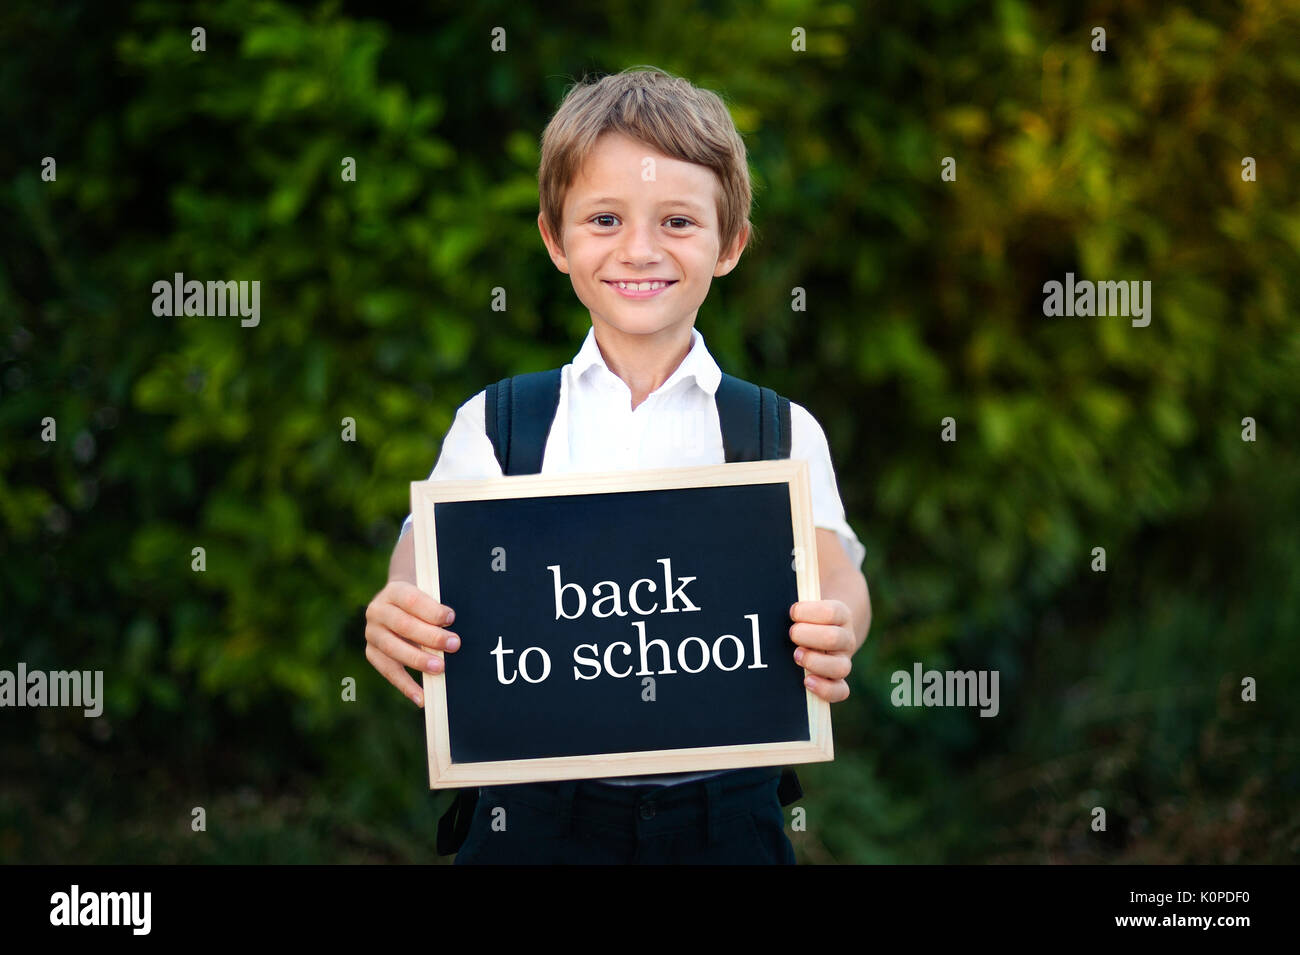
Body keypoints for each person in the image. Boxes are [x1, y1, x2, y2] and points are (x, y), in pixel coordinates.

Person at [364, 66, 871, 864]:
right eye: (604, 219)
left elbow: (835, 569)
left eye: (677, 221)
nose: (640, 249)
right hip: (534, 816)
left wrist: (839, 624)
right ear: (555, 239)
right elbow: (425, 553)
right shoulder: (501, 424)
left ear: (730, 244)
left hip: (724, 817)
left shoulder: (775, 430)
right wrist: (398, 601)